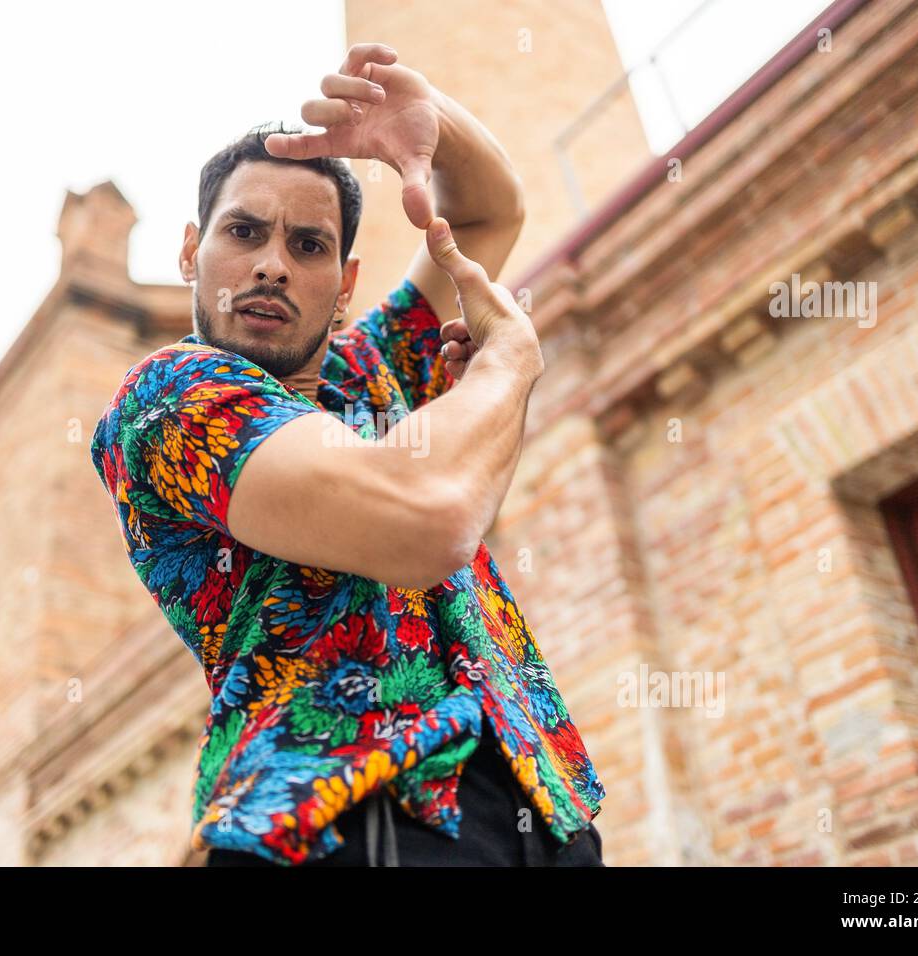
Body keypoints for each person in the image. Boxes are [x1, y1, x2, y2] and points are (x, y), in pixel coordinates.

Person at [90, 42, 607, 867]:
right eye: (244, 232)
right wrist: (507, 369)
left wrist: (431, 117)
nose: (271, 263)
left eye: (307, 246)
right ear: (192, 253)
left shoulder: (369, 365)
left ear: (344, 283)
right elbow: (426, 519)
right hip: (351, 814)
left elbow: (487, 214)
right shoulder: (170, 398)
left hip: (544, 800)